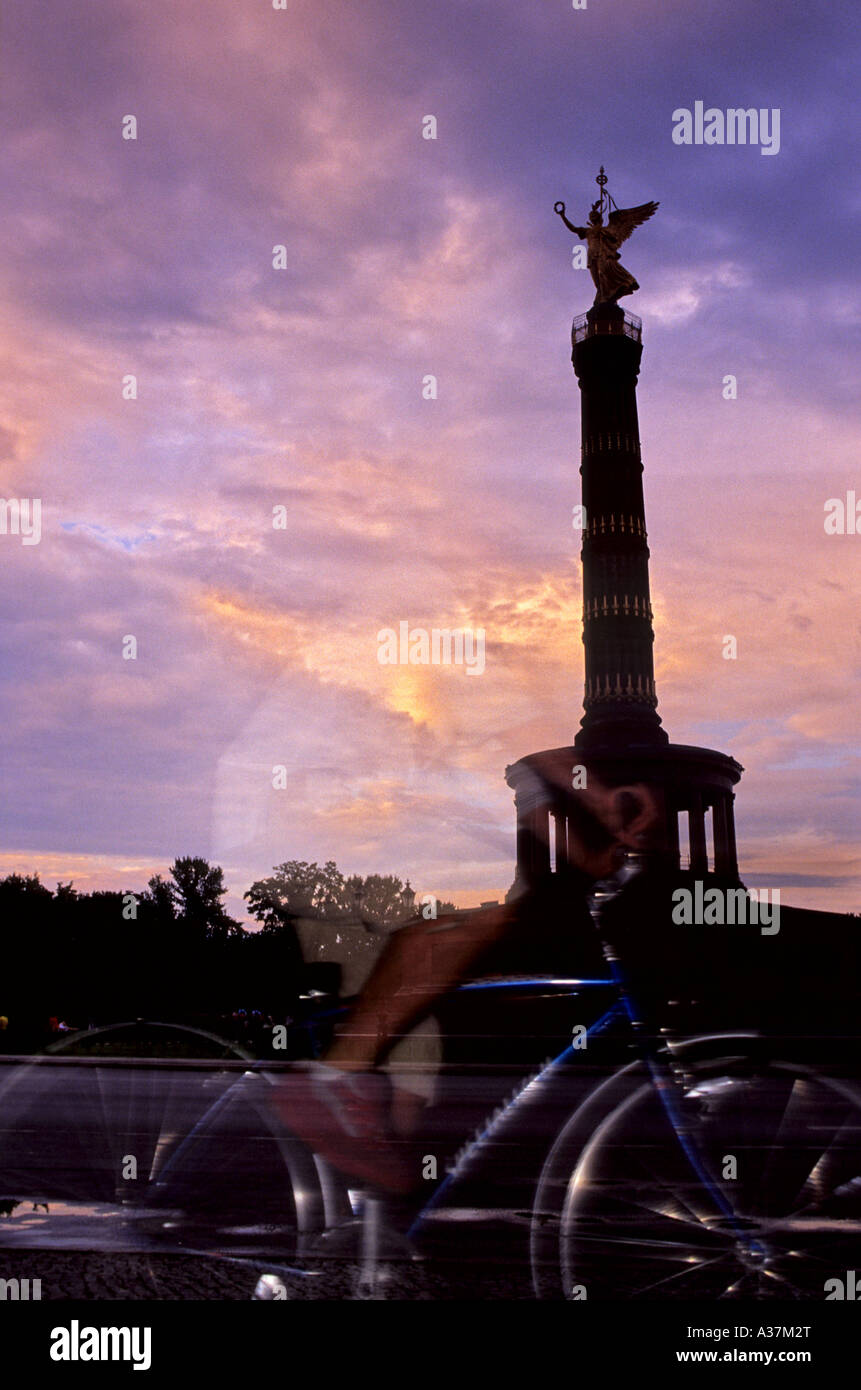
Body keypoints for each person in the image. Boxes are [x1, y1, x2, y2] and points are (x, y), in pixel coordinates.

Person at [274, 774, 660, 1192]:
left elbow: (539, 785)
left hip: (387, 859)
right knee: (444, 942)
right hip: (362, 869)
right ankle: (331, 1082)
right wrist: (600, 802)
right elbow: (538, 775)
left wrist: (596, 829)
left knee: (447, 981)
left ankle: (387, 1192)